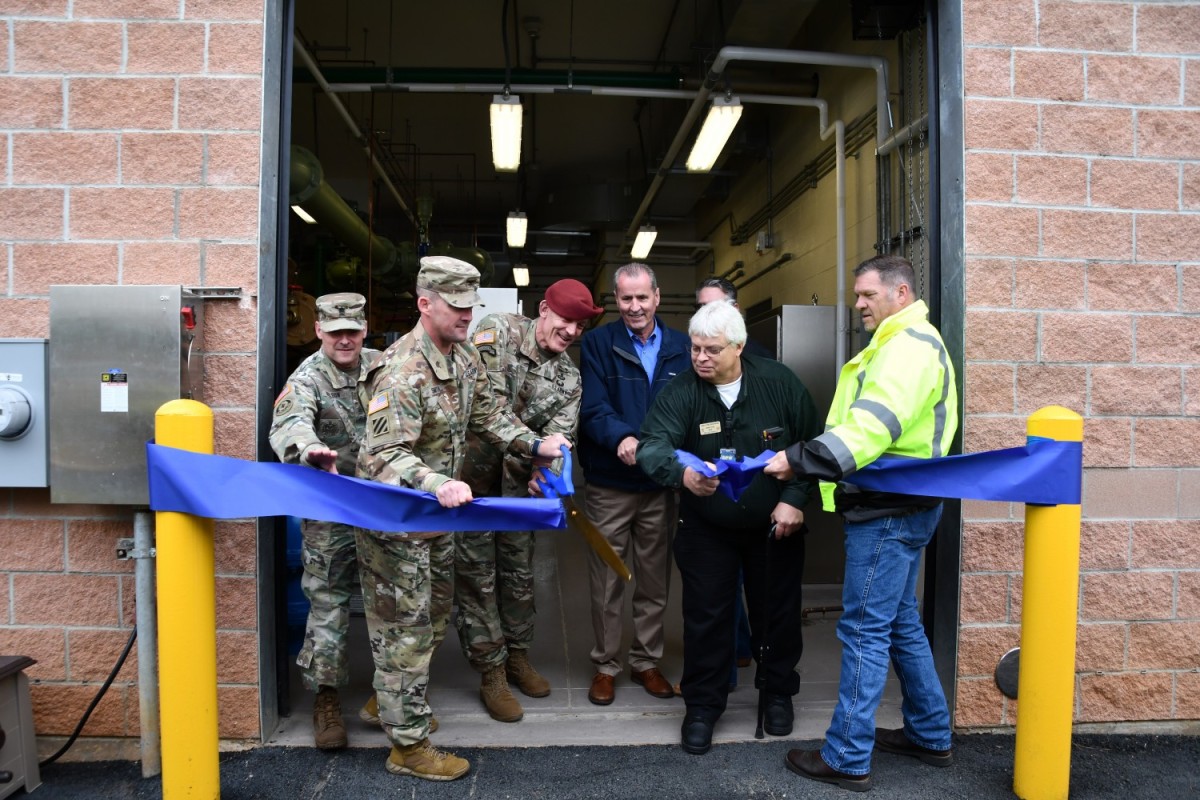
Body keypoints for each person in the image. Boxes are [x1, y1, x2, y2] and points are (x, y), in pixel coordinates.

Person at [355, 256, 572, 782]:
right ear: (424, 303)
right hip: (400, 522)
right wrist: (437, 482)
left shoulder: (462, 357)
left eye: (472, 306)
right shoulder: (402, 367)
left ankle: (390, 700)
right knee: (404, 631)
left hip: (439, 522)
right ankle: (408, 747)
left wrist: (536, 443)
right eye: (456, 307)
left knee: (429, 622)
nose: (466, 316)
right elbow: (384, 453)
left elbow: (490, 416)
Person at [764, 255, 958, 792]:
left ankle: (847, 756)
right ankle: (930, 733)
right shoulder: (907, 342)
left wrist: (799, 459)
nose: (858, 304)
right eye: (857, 295)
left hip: (886, 513)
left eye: (867, 294)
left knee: (863, 632)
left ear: (900, 292)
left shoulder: (907, 348)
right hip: (906, 505)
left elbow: (874, 425)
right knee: (899, 624)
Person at [637, 300, 820, 755]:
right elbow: (651, 446)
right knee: (706, 619)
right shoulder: (682, 391)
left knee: (776, 615)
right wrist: (682, 475)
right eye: (695, 348)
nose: (700, 357)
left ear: (738, 347)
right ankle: (702, 707)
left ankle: (777, 693)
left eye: (711, 349)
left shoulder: (779, 383)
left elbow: (814, 446)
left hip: (773, 526)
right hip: (706, 528)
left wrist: (795, 501)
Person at [455, 278, 601, 722]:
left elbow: (563, 436)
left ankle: (517, 655)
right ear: (543, 309)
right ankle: (491, 672)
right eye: (565, 320)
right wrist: (536, 449)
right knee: (478, 580)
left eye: (579, 325)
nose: (572, 331)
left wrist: (545, 470)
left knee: (518, 578)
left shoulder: (569, 378)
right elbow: (483, 409)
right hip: (472, 488)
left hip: (518, 493)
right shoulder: (496, 333)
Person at [268, 292, 378, 750]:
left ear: (365, 328)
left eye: (352, 330)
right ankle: (327, 701)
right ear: (318, 331)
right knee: (329, 605)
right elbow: (289, 424)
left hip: (380, 503)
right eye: (335, 333)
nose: (345, 340)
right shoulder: (307, 377)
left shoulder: (385, 365)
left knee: (392, 603)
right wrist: (309, 451)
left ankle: (394, 697)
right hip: (331, 507)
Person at [577, 262, 691, 705]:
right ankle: (606, 666)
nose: (635, 306)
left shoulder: (682, 347)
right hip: (611, 482)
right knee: (607, 578)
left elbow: (687, 408)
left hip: (661, 484)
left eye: (642, 297)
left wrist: (666, 453)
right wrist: (621, 438)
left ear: (657, 297)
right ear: (615, 301)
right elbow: (592, 407)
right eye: (626, 298)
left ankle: (646, 661)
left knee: (654, 579)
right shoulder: (597, 343)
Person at [695, 277, 772, 359]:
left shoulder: (757, 356)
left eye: (716, 305)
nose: (707, 311)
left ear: (735, 309)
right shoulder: (687, 352)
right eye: (703, 306)